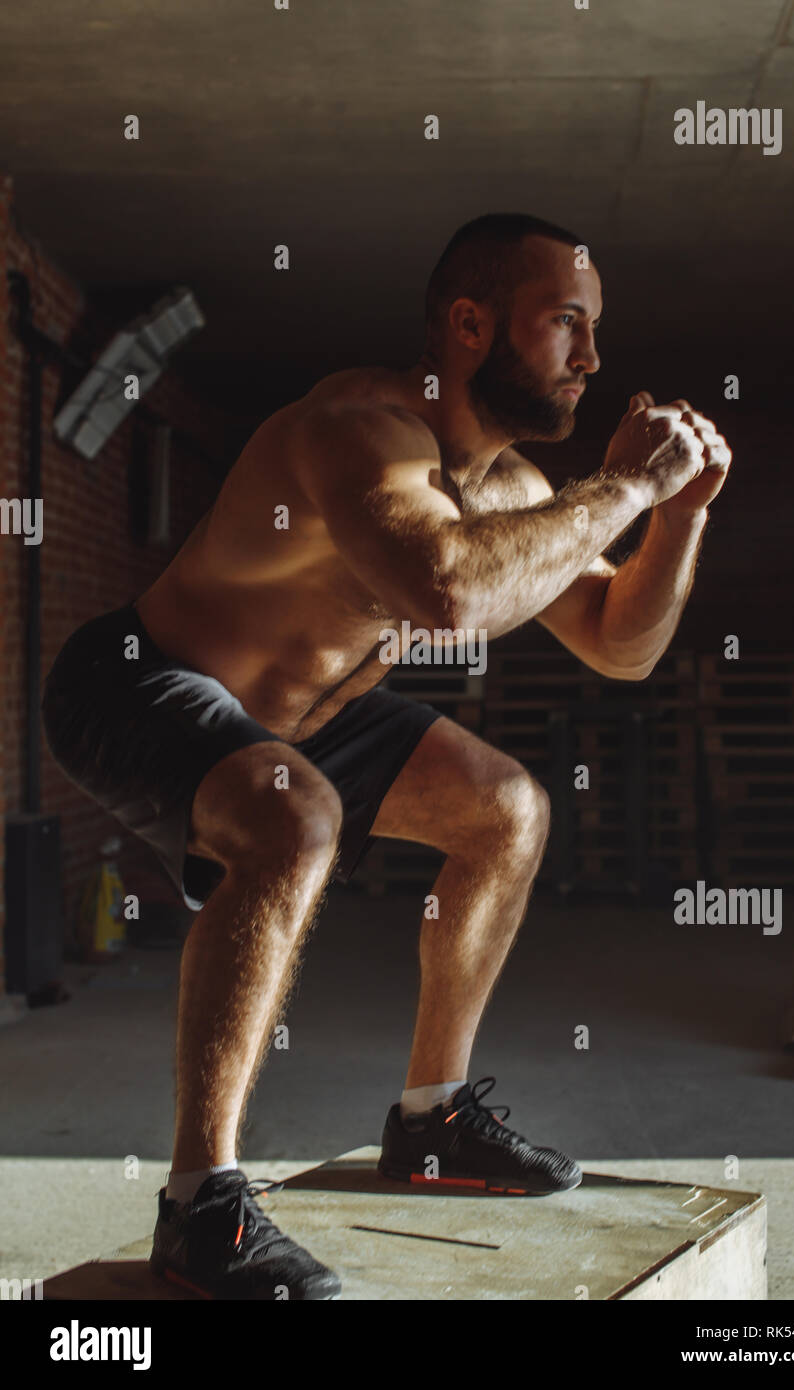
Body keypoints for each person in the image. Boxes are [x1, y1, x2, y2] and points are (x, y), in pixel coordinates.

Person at [41, 212, 732, 1300]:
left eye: (594, 331)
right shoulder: (355, 429)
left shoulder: (505, 487)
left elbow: (618, 646)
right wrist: (623, 490)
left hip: (307, 717)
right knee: (294, 818)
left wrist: (676, 518)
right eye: (565, 324)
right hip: (137, 679)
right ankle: (201, 1205)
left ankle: (433, 1120)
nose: (591, 360)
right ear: (470, 323)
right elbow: (448, 589)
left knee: (505, 807)